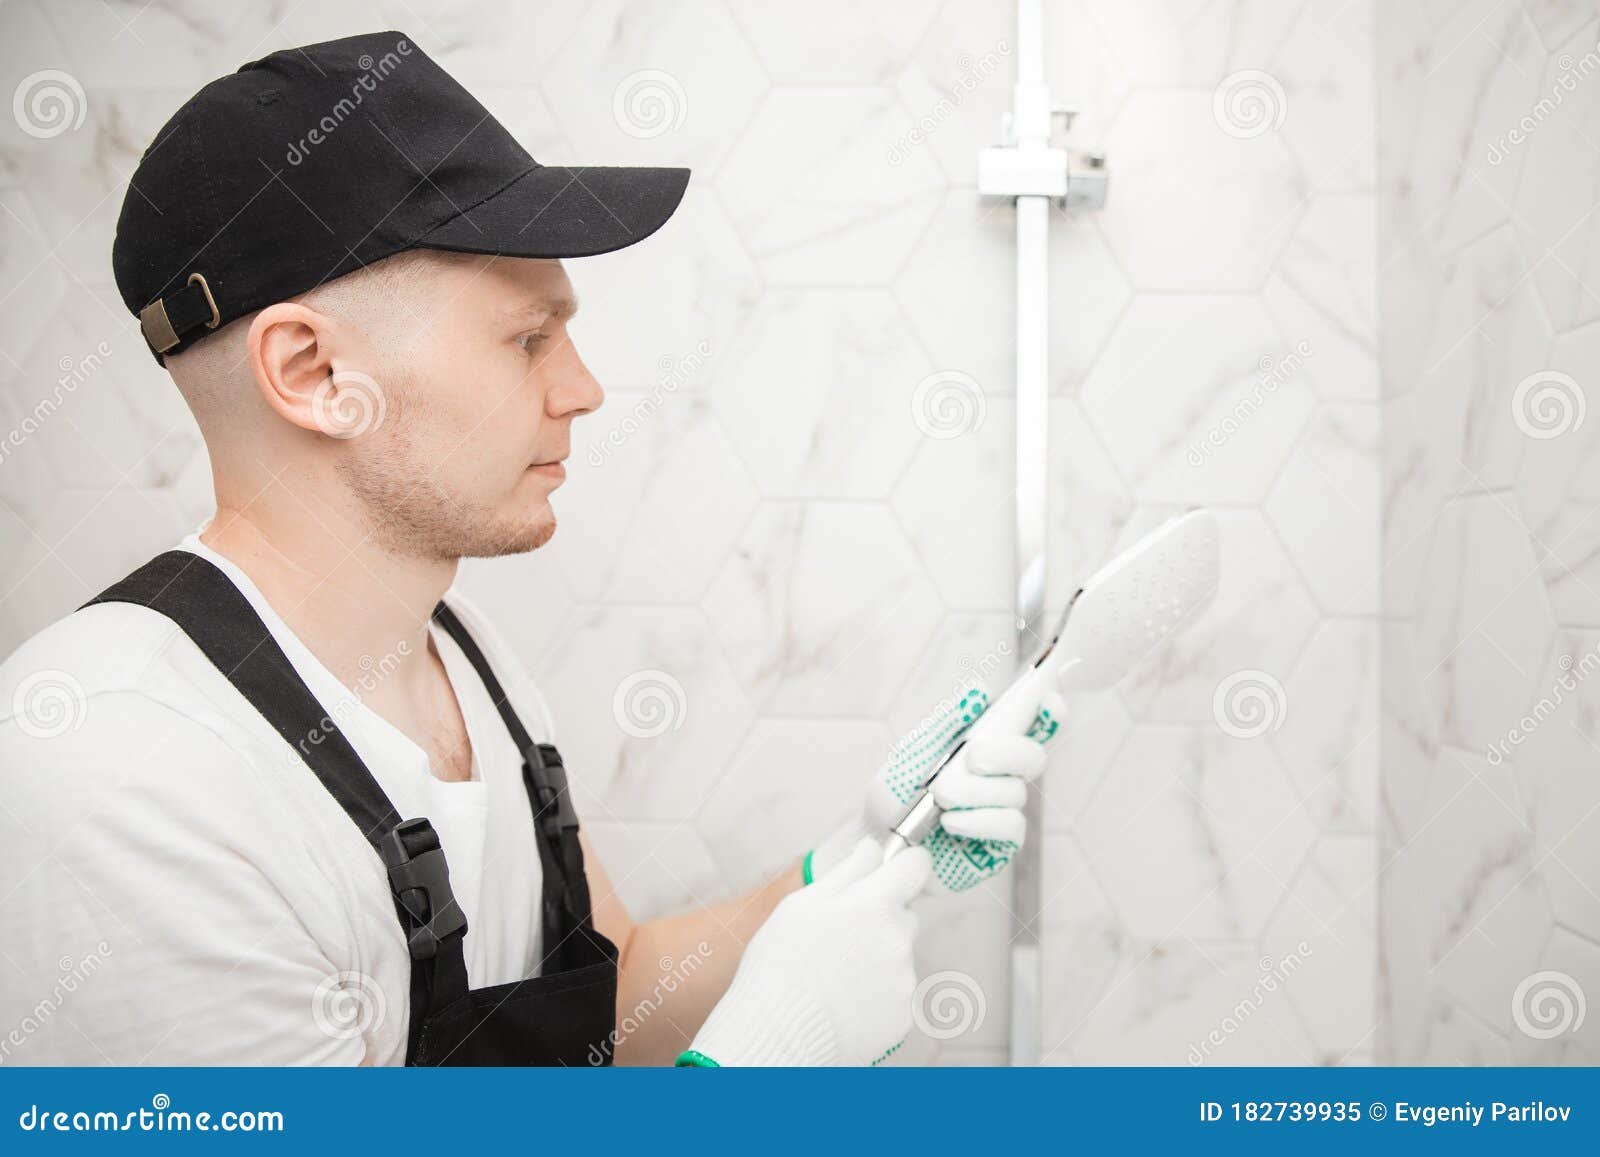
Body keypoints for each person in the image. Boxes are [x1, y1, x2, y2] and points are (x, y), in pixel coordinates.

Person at [0, 31, 1060, 1067]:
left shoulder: (466, 659)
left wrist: (859, 858)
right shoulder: (122, 775)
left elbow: (621, 991)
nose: (583, 388)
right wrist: (758, 1061)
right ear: (315, 371)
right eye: (527, 337)